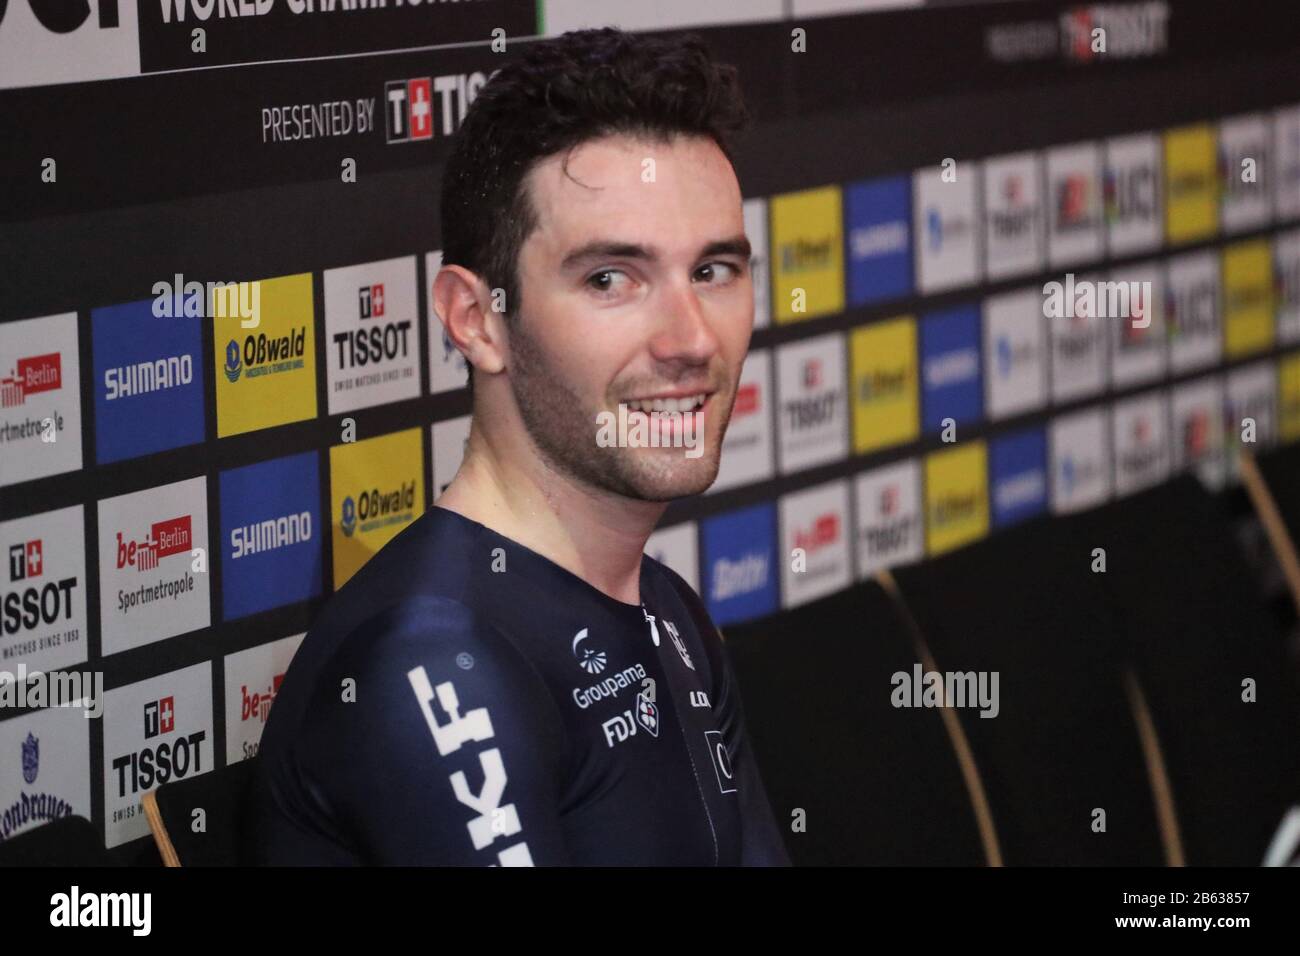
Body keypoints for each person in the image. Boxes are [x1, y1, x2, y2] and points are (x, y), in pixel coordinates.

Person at [248, 26, 789, 866]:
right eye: (611, 278)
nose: (689, 338)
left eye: (714, 271)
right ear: (477, 321)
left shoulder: (668, 608)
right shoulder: (433, 664)